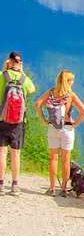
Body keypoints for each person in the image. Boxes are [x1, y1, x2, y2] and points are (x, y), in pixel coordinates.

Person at [36, 70, 84, 197]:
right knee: (66, 160)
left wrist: (44, 120)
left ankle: (52, 188)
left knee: (53, 158)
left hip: (53, 127)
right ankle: (64, 190)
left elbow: (38, 105)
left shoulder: (51, 92)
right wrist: (75, 124)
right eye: (72, 80)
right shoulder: (71, 95)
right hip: (67, 129)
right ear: (68, 81)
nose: (73, 82)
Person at [1, 52, 36, 196]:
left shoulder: (2, 76)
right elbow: (32, 90)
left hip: (2, 120)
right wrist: (21, 73)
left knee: (2, 153)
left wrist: (5, 68)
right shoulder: (24, 79)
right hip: (19, 123)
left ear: (9, 61)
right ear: (20, 63)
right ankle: (15, 185)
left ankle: (1, 185)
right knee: (16, 154)